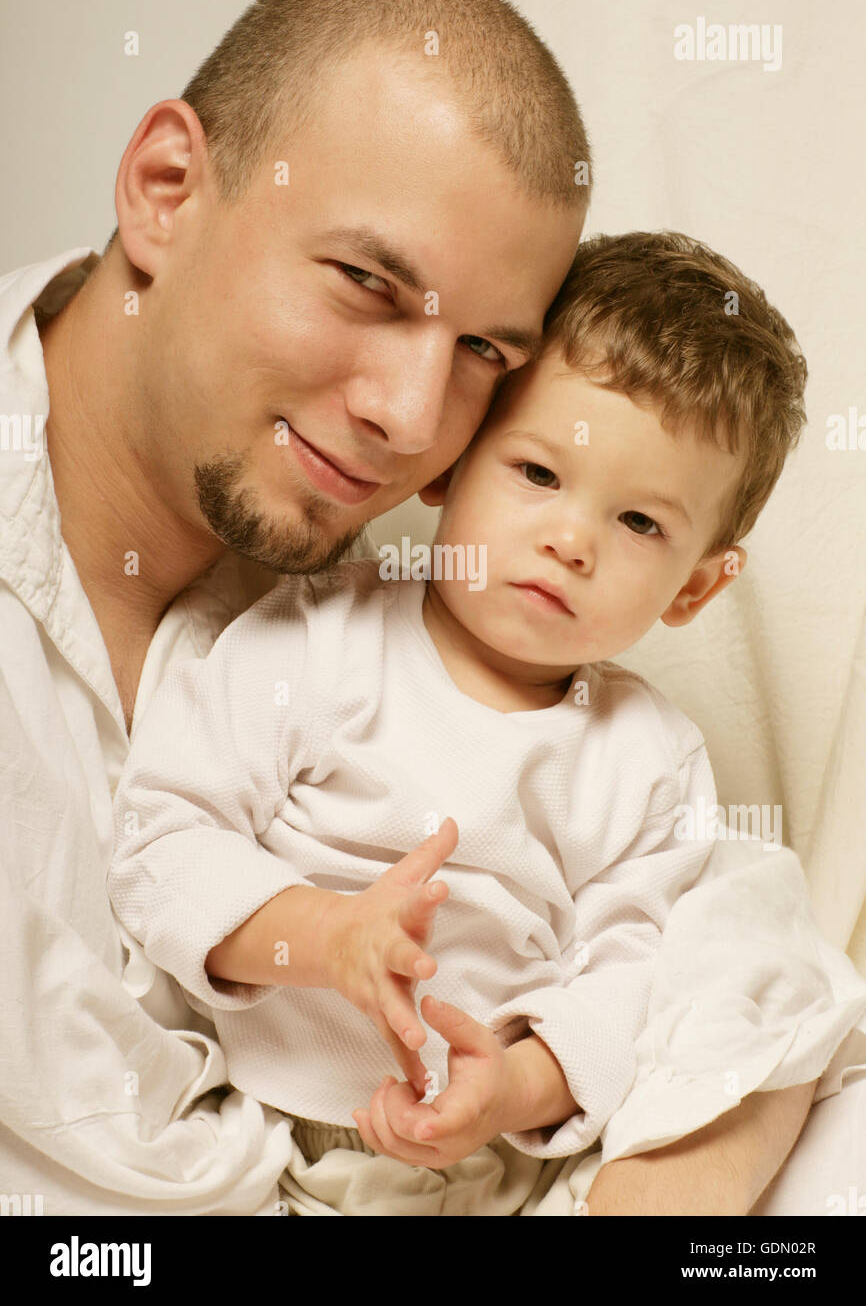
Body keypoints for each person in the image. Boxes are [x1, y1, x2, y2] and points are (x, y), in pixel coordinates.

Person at [0, 0, 854, 1216]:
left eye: (481, 353)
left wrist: (635, 1163)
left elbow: (733, 960)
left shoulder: (379, 581)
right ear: (166, 189)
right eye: (365, 284)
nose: (407, 423)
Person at [108, 231, 866, 1216]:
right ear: (448, 461)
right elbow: (161, 841)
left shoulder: (642, 759)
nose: (568, 540)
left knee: (782, 990)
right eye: (538, 476)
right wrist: (326, 935)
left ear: (695, 586)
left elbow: (624, 981)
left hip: (492, 1169)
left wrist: (512, 1084)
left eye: (638, 524)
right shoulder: (318, 638)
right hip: (252, 1127)